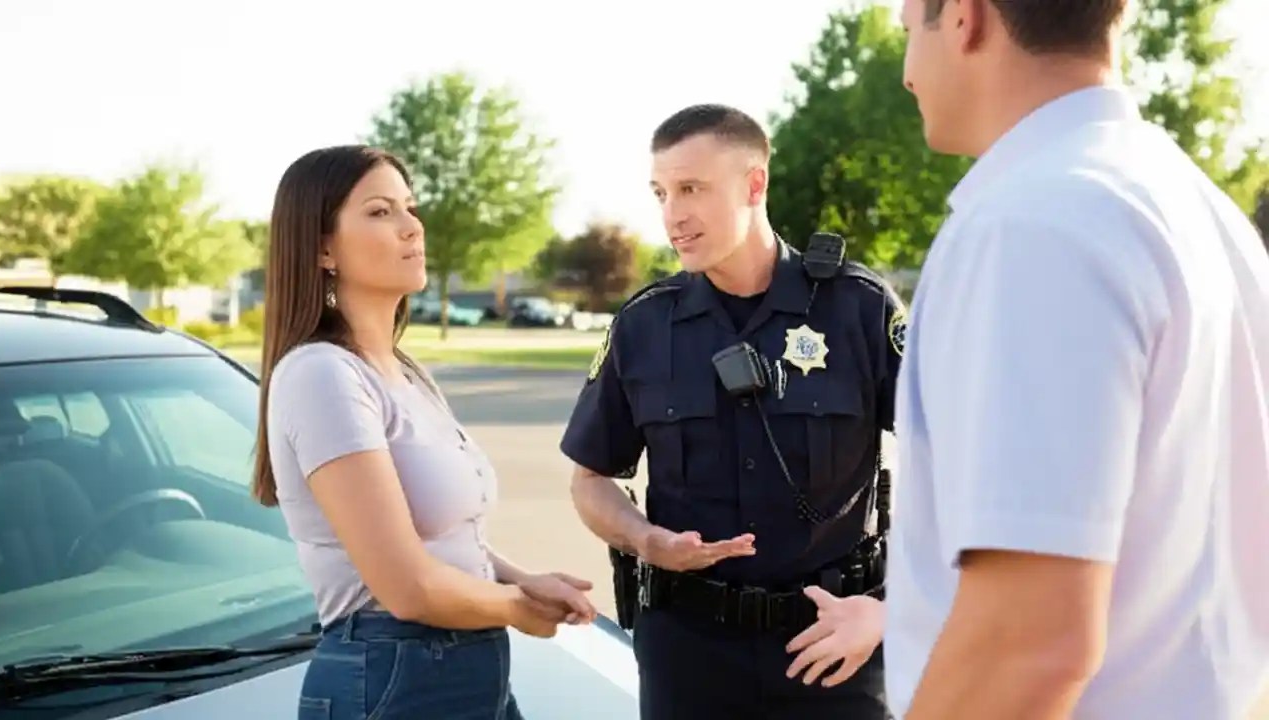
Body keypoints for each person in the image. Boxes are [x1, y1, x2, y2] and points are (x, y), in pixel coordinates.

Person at [869, 1, 1269, 718]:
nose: (905, 73)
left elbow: (1028, 642)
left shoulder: (1034, 222)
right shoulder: (1206, 215)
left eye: (907, 32)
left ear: (964, 17)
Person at [559, 104, 901, 719]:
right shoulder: (643, 325)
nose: (672, 215)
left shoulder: (859, 310)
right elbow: (591, 479)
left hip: (832, 648)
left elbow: (961, 468)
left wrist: (891, 608)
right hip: (689, 655)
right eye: (661, 193)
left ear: (755, 183)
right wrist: (646, 540)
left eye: (691, 189)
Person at [251, 145, 598, 720]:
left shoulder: (404, 370)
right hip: (395, 678)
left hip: (465, 669)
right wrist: (514, 605)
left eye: (410, 208)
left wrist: (524, 580)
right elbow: (407, 586)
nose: (412, 227)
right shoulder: (320, 374)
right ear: (322, 248)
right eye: (381, 212)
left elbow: (444, 540)